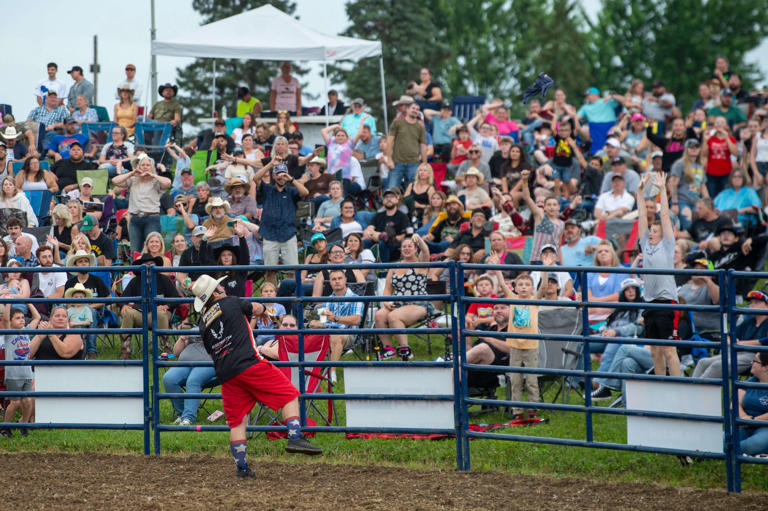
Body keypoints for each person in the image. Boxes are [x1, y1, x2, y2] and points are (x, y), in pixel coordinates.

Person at [190, 274, 322, 478]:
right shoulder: (230, 302)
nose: (223, 287)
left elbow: (211, 352)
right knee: (289, 394)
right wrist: (260, 312)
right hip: (248, 363)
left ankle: (241, 468)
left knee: (237, 422)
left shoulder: (203, 322)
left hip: (226, 373)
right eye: (219, 286)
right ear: (216, 292)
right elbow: (257, 308)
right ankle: (295, 436)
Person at [637, 171, 680, 377]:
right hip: (650, 303)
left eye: (655, 231)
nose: (651, 232)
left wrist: (663, 190)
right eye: (651, 231)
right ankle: (660, 384)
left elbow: (664, 216)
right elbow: (642, 216)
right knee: (654, 350)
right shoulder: (645, 245)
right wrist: (639, 192)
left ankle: (679, 388)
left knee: (669, 350)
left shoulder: (668, 245)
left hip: (666, 302)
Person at [375, 234, 432, 361]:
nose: (407, 249)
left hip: (419, 303)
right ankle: (388, 349)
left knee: (393, 316)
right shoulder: (395, 266)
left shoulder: (421, 264)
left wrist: (419, 239)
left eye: (410, 246)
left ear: (415, 249)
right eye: (404, 246)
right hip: (398, 303)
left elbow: (426, 250)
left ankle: (405, 349)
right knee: (379, 315)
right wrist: (386, 302)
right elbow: (388, 289)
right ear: (401, 250)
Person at [253, 159, 309, 285]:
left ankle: (292, 299)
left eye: (283, 174)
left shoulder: (292, 191)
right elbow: (256, 178)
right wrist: (270, 165)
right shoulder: (267, 189)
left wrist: (292, 179)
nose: (281, 177)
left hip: (288, 234)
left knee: (293, 270)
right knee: (269, 271)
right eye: (278, 174)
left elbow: (305, 192)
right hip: (269, 234)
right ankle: (271, 299)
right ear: (273, 175)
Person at [501, 269, 547, 419]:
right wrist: (496, 268)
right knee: (515, 381)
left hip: (531, 346)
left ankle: (533, 407)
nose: (524, 287)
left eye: (527, 284)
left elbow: (544, 288)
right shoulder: (513, 299)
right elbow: (502, 285)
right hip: (515, 346)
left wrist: (545, 269)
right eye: (520, 284)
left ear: (532, 288)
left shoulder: (534, 301)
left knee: (532, 381)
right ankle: (517, 411)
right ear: (515, 288)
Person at [589, 278, 646, 400]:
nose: (631, 292)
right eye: (627, 290)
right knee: (582, 343)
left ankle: (599, 383)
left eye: (633, 289)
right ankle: (577, 380)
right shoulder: (619, 307)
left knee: (614, 342)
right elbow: (608, 321)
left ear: (637, 291)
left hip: (625, 338)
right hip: (608, 335)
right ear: (623, 293)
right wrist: (603, 330)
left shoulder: (642, 307)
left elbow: (638, 328)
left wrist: (616, 331)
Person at [692, 290, 768, 379]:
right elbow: (729, 336)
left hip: (757, 355)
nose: (752, 305)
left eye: (757, 302)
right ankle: (691, 389)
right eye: (750, 303)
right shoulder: (748, 322)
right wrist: (735, 342)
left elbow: (765, 341)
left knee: (718, 365)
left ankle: (697, 390)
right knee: (702, 362)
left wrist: (740, 343)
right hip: (738, 352)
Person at [119, 253, 179, 359]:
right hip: (140, 313)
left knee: (161, 314)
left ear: (156, 266)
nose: (149, 267)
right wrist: (123, 305)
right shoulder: (135, 281)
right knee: (128, 312)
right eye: (146, 265)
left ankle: (166, 349)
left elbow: (176, 298)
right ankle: (125, 350)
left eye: (152, 264)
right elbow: (122, 298)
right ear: (141, 267)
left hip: (160, 314)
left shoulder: (164, 280)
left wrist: (166, 306)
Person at [309, 269, 364, 383]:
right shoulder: (328, 299)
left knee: (336, 336)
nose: (337, 281)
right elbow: (324, 321)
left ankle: (331, 372)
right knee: (308, 330)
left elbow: (356, 320)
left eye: (339, 278)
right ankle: (308, 370)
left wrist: (335, 318)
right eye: (334, 279)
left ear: (345, 280)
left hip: (348, 335)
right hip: (327, 332)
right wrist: (314, 323)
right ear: (330, 282)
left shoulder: (356, 298)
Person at [112, 154, 171, 255]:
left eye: (147, 165)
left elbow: (168, 183)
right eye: (142, 165)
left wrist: (153, 175)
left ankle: (153, 270)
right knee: (135, 251)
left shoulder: (156, 181)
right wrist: (132, 173)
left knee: (153, 250)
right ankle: (135, 271)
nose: (145, 167)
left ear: (151, 167)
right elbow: (115, 181)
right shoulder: (133, 180)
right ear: (138, 167)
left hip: (151, 218)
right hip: (135, 219)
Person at [162, 324, 216, 426]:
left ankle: (188, 417)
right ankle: (182, 413)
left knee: (193, 380)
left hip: (207, 363)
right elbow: (176, 352)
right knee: (168, 379)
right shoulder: (194, 330)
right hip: (185, 363)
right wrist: (182, 338)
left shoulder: (219, 327)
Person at [1, 304, 41, 436]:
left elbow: (37, 317)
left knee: (28, 401)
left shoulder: (26, 331)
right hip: (13, 374)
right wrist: (8, 304)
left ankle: (24, 424)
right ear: (11, 321)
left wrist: (28, 302)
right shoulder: (9, 333)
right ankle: (5, 427)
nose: (22, 320)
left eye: (23, 317)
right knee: (16, 402)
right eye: (17, 318)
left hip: (26, 373)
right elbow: (6, 319)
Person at [520, 169, 564, 262]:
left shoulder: (561, 224)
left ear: (559, 207)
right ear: (544, 207)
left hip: (554, 262)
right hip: (538, 260)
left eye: (554, 205)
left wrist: (561, 265)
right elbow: (527, 198)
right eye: (548, 205)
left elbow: (558, 246)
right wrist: (524, 181)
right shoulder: (540, 216)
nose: (551, 207)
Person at [387, 103, 427, 190]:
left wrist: (424, 164)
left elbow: (423, 146)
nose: (415, 110)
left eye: (417, 109)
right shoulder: (397, 123)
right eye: (413, 108)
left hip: (413, 163)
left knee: (412, 191)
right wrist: (389, 159)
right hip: (397, 162)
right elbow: (389, 141)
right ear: (407, 109)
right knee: (392, 190)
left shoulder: (421, 127)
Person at [363, 188, 410, 262]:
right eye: (386, 197)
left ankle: (383, 269)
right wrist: (377, 235)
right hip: (377, 241)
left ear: (397, 199)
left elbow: (403, 236)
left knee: (383, 243)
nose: (389, 199)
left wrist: (386, 238)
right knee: (364, 242)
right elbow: (369, 229)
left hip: (393, 245)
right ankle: (364, 266)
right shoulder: (378, 215)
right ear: (383, 201)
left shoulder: (403, 216)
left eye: (391, 196)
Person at [737, 351, 768, 456]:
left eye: (755, 361)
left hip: (765, 426)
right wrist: (744, 417)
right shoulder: (751, 380)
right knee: (722, 438)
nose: (751, 362)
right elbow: (734, 403)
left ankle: (727, 452)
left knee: (755, 444)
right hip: (745, 424)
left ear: (765, 367)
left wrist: (754, 420)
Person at [702, 116, 738, 198]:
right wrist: (705, 140)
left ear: (726, 126)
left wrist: (726, 137)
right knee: (712, 195)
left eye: (722, 122)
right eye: (717, 122)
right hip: (711, 172)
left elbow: (735, 153)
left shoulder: (731, 138)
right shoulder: (710, 138)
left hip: (726, 172)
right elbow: (704, 153)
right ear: (714, 125)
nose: (719, 124)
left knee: (726, 196)